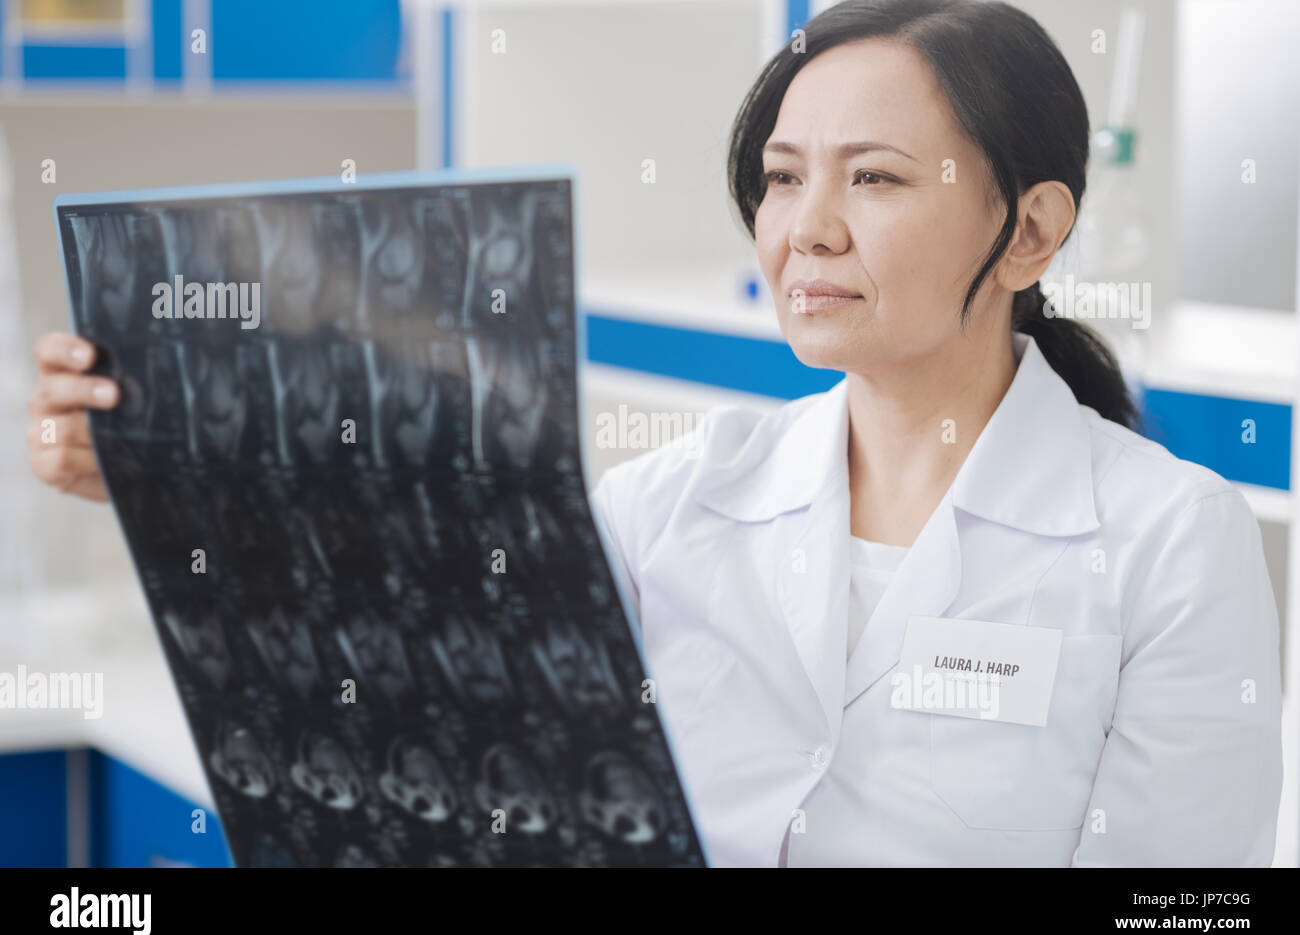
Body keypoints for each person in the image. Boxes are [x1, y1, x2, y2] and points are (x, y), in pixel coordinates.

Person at [27, 0, 1282, 867]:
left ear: (1030, 230)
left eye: (878, 178)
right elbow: (413, 636)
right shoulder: (677, 497)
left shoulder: (1171, 543)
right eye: (783, 177)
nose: (809, 230)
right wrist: (176, 472)